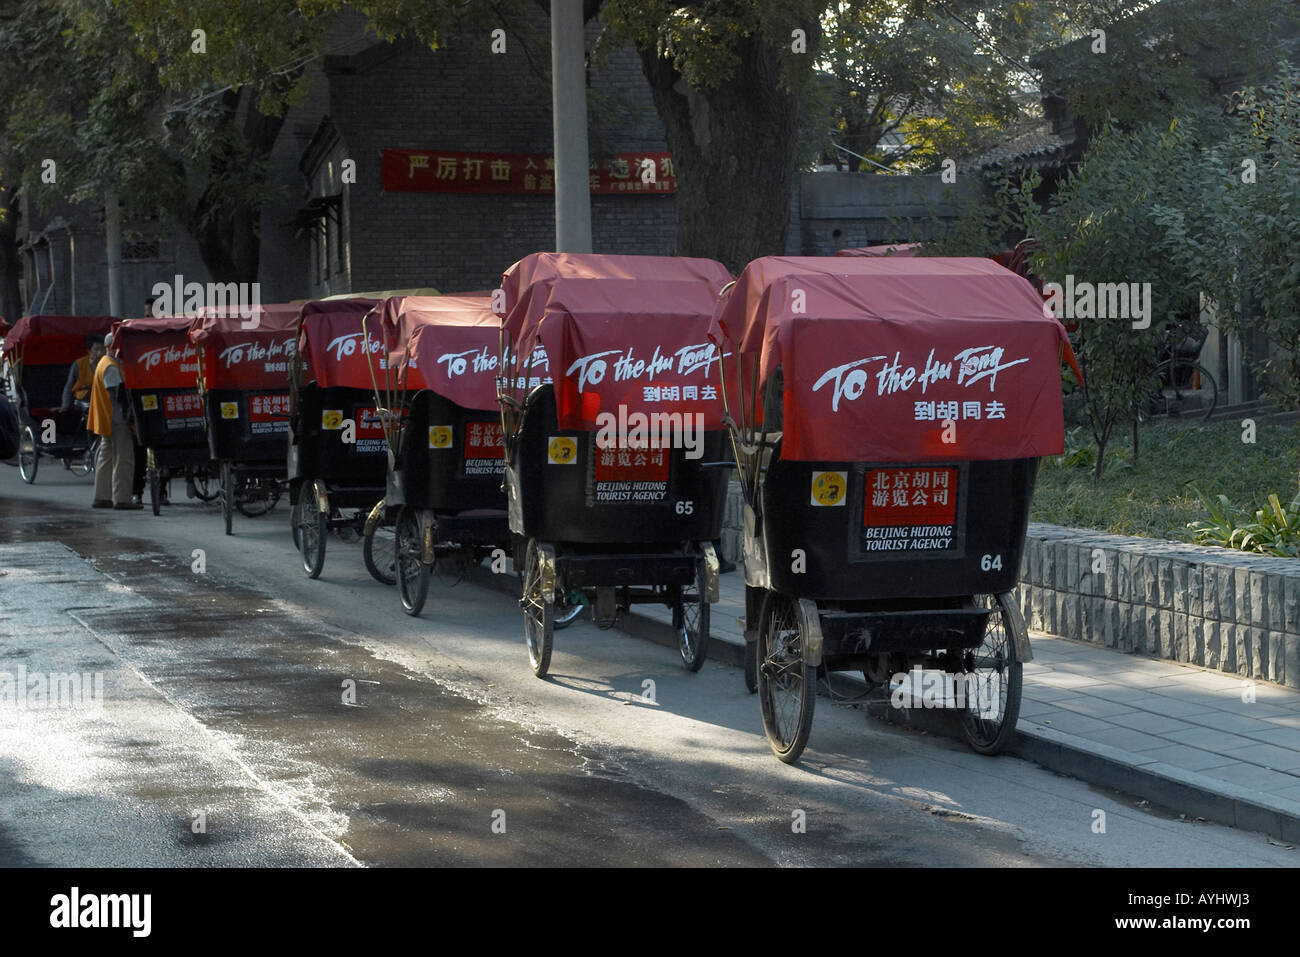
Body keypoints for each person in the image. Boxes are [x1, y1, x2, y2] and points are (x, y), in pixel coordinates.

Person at [87, 331, 140, 509]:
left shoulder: (104, 362)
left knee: (106, 458)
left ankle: (102, 496)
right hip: (116, 419)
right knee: (124, 458)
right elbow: (116, 395)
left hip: (106, 419)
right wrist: (128, 414)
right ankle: (122, 499)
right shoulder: (110, 367)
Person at [60, 335, 105, 413]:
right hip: (83, 398)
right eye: (96, 349)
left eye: (103, 349)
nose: (100, 352)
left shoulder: (108, 364)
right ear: (89, 351)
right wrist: (65, 406)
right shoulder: (78, 364)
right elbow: (69, 386)